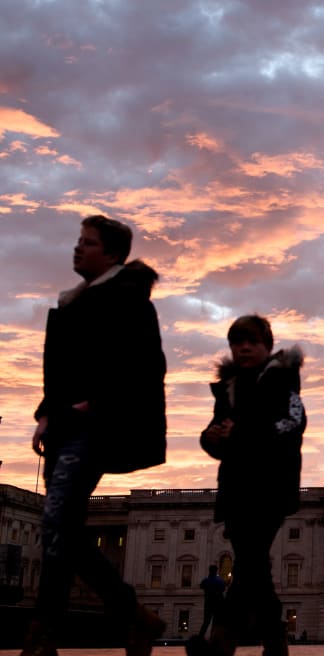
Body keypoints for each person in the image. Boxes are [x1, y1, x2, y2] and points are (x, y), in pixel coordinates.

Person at [23, 215, 167, 656]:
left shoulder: (130, 299)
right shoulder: (73, 303)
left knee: (57, 521)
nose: (77, 248)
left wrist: (95, 403)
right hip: (65, 424)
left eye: (87, 242)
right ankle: (131, 615)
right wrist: (46, 413)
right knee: (60, 527)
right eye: (78, 240)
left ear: (112, 254)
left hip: (99, 425)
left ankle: (45, 630)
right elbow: (61, 371)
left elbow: (147, 365)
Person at [187, 315, 306, 656]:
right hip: (236, 489)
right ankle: (274, 636)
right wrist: (210, 438)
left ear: (268, 346)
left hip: (271, 487)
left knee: (249, 561)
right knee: (251, 566)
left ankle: (222, 638)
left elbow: (293, 424)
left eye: (252, 342)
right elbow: (221, 430)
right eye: (237, 343)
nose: (244, 348)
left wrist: (239, 434)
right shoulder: (229, 388)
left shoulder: (282, 382)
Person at [198, 565, 226, 637]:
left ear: (209, 570)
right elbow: (223, 589)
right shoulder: (219, 580)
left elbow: (201, 586)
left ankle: (200, 637)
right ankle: (212, 637)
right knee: (215, 622)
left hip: (208, 603)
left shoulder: (206, 580)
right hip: (218, 603)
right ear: (216, 571)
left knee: (206, 622)